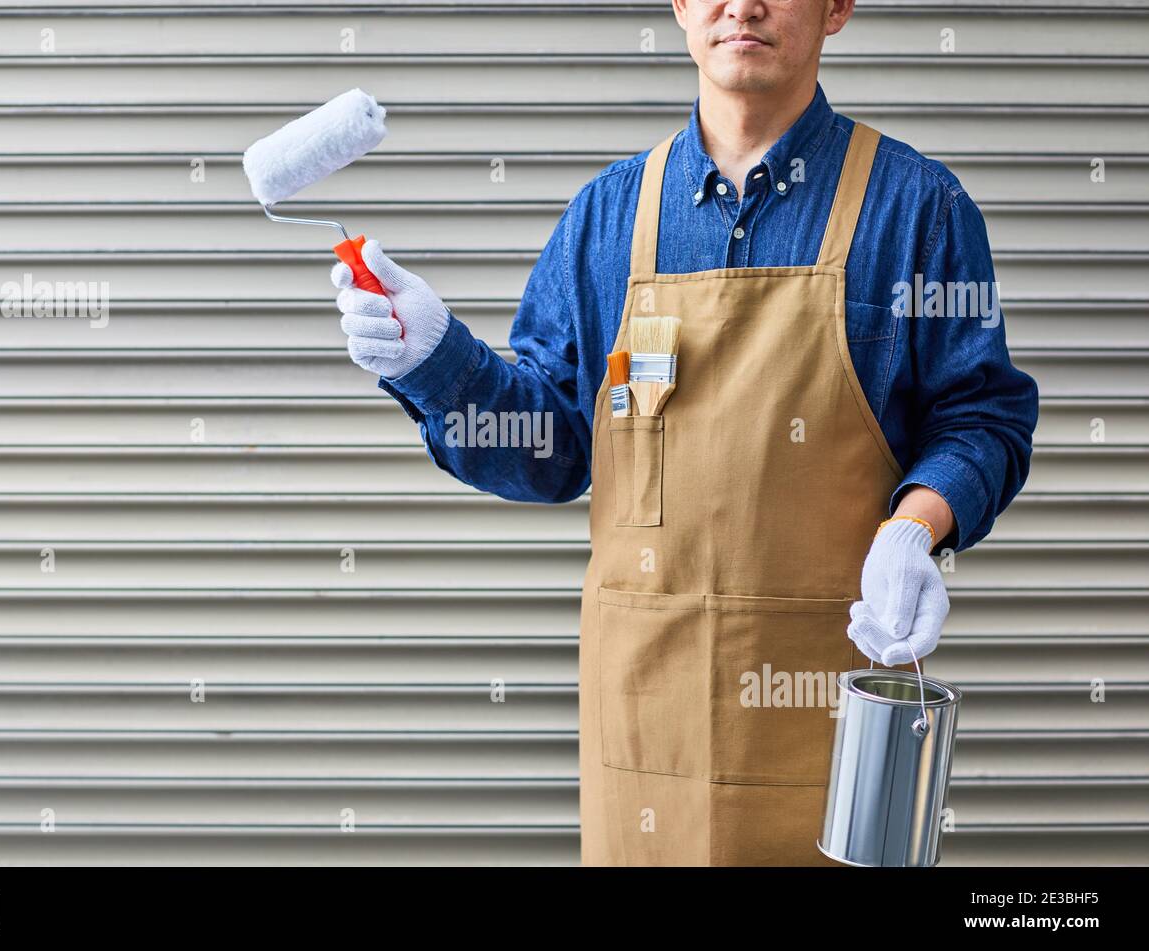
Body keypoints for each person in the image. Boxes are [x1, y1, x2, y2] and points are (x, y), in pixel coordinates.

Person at [329, 0, 1038, 865]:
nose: (743, 6)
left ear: (838, 8)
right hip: (647, 732)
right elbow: (555, 453)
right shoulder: (605, 218)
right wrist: (439, 363)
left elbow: (983, 418)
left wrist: (914, 528)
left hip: (830, 721)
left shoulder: (918, 208)